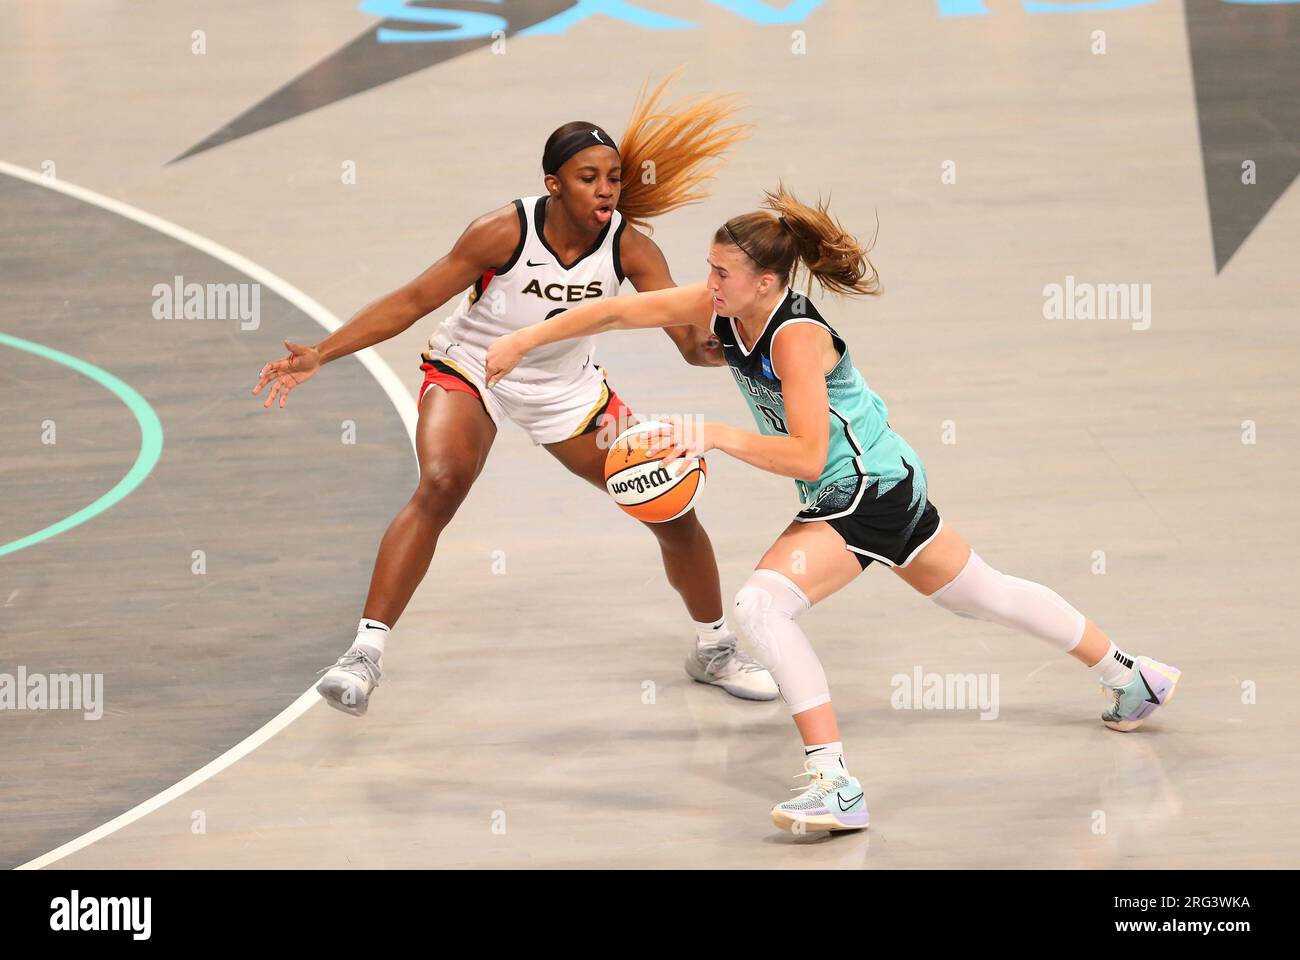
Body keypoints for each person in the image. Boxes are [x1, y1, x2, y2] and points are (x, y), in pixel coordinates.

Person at [484, 183, 1182, 834]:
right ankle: (1133, 676)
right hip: (887, 477)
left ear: (765, 282)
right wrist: (522, 339)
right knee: (983, 595)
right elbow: (614, 309)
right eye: (709, 268)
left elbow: (808, 457)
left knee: (760, 608)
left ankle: (834, 782)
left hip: (862, 490)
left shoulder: (795, 337)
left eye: (722, 272)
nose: (709, 282)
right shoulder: (725, 306)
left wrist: (713, 435)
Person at [252, 75, 779, 717]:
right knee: (442, 482)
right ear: (553, 184)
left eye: (613, 176)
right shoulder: (502, 232)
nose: (606, 189)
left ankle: (714, 646)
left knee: (668, 507)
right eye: (589, 177)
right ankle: (363, 655)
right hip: (474, 369)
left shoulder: (631, 250)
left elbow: (692, 346)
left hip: (569, 390)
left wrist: (749, 330)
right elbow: (414, 301)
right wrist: (322, 352)